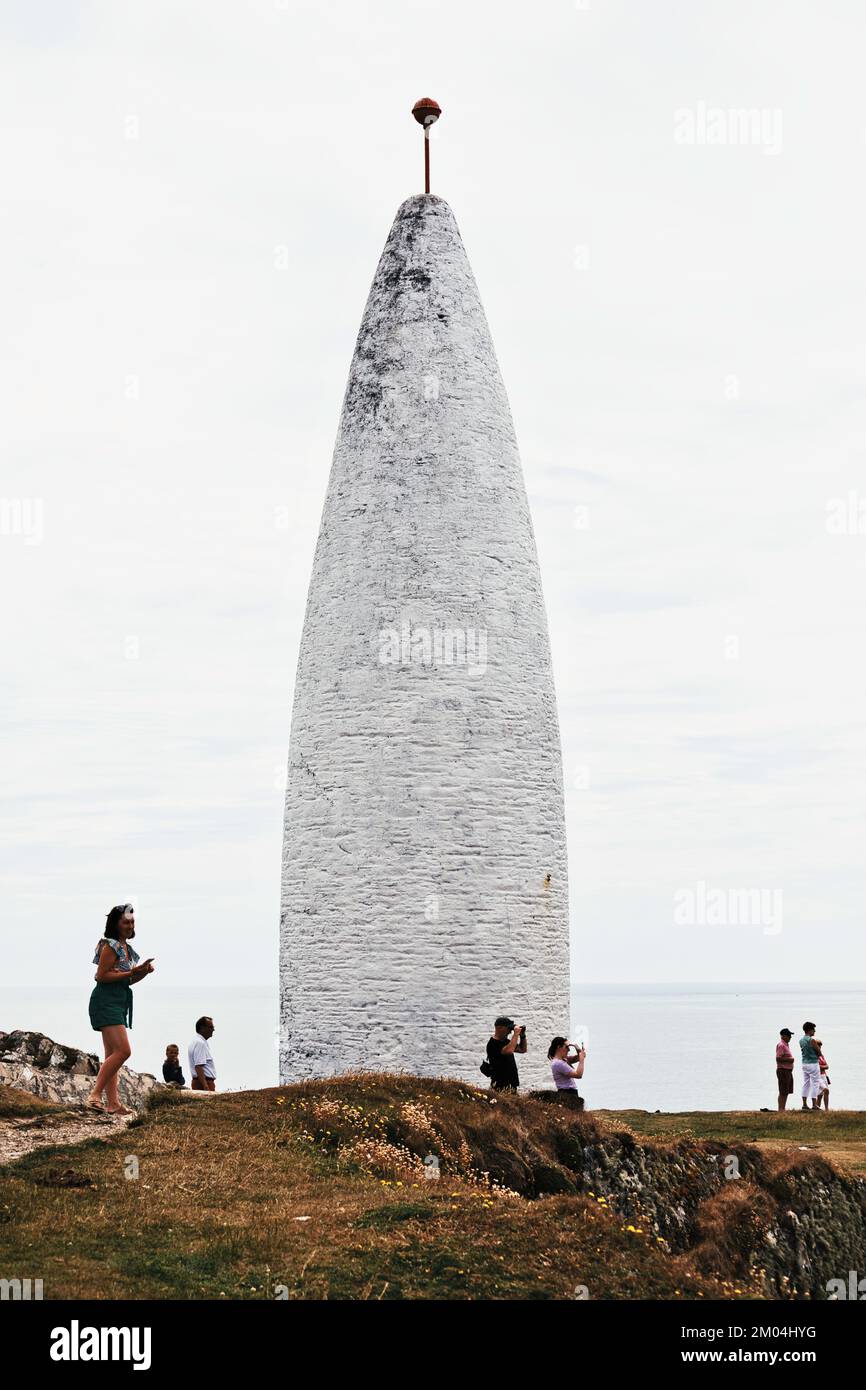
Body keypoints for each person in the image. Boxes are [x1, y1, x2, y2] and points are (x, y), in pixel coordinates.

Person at [86, 904, 155, 1115]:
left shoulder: (127, 949)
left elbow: (126, 980)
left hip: (118, 1001)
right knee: (124, 1051)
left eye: (132, 921)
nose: (130, 925)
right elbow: (101, 976)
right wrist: (131, 972)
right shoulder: (110, 946)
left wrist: (142, 972)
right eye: (126, 922)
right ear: (116, 924)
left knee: (112, 1055)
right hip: (105, 1002)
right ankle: (94, 1095)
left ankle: (113, 1104)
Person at [485, 1016, 526, 1091]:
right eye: (508, 1029)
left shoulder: (506, 1041)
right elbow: (509, 1051)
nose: (510, 1032)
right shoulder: (493, 1044)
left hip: (511, 1083)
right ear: (500, 1028)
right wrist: (516, 1034)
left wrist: (522, 1036)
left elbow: (522, 1049)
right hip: (500, 1084)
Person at [548, 1036, 586, 1107]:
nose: (568, 1050)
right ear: (559, 1047)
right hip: (567, 1094)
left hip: (567, 1093)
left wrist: (577, 1049)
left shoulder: (563, 1060)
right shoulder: (558, 1063)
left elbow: (580, 1056)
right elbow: (578, 1075)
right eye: (567, 1047)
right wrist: (582, 1060)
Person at [189, 1017, 217, 1092]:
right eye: (210, 1027)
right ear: (202, 1028)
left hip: (202, 1082)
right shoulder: (200, 1043)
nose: (213, 1030)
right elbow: (198, 1066)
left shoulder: (198, 1041)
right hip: (203, 1083)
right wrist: (206, 1087)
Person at [799, 1021, 822, 1111]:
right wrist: (819, 1053)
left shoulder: (801, 1040)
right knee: (815, 1084)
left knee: (806, 1083)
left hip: (804, 1063)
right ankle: (814, 1105)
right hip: (813, 1063)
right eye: (813, 1029)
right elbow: (818, 1052)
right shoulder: (811, 1040)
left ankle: (804, 1104)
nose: (814, 1031)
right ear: (809, 1030)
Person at [775, 1027, 795, 1111]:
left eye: (790, 1035)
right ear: (783, 1036)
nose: (790, 1037)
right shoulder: (781, 1045)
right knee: (783, 1091)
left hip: (787, 1070)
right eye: (788, 1035)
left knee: (786, 1091)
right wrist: (790, 1060)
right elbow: (778, 1058)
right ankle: (781, 1109)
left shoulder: (786, 1045)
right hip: (783, 1070)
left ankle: (783, 1108)